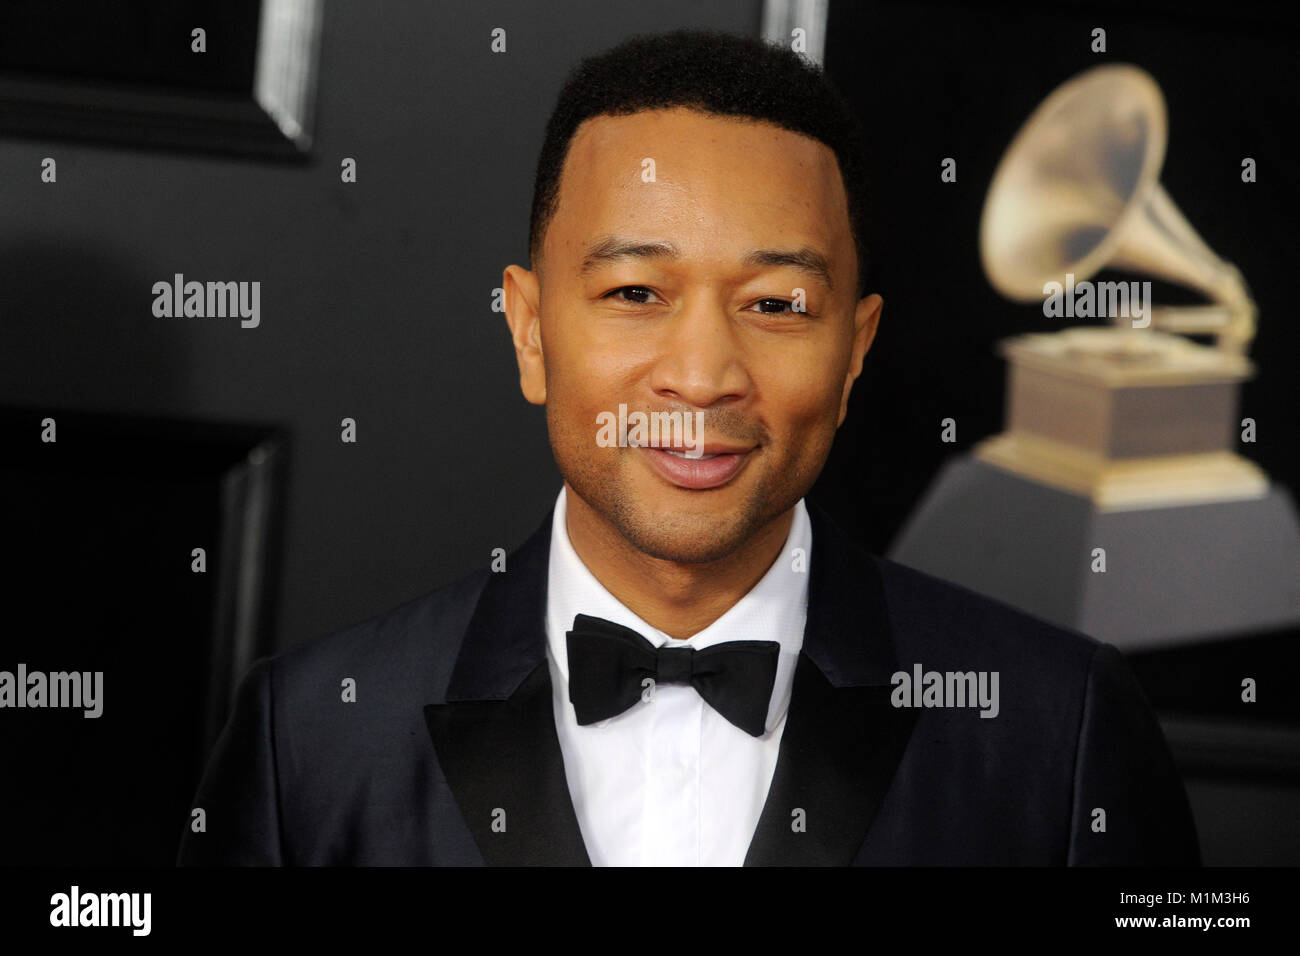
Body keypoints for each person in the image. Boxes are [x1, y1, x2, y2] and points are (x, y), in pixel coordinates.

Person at [178, 29, 1199, 866]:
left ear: (855, 351)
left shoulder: (1055, 732)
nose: (702, 374)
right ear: (529, 331)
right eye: (634, 293)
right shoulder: (310, 735)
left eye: (774, 303)